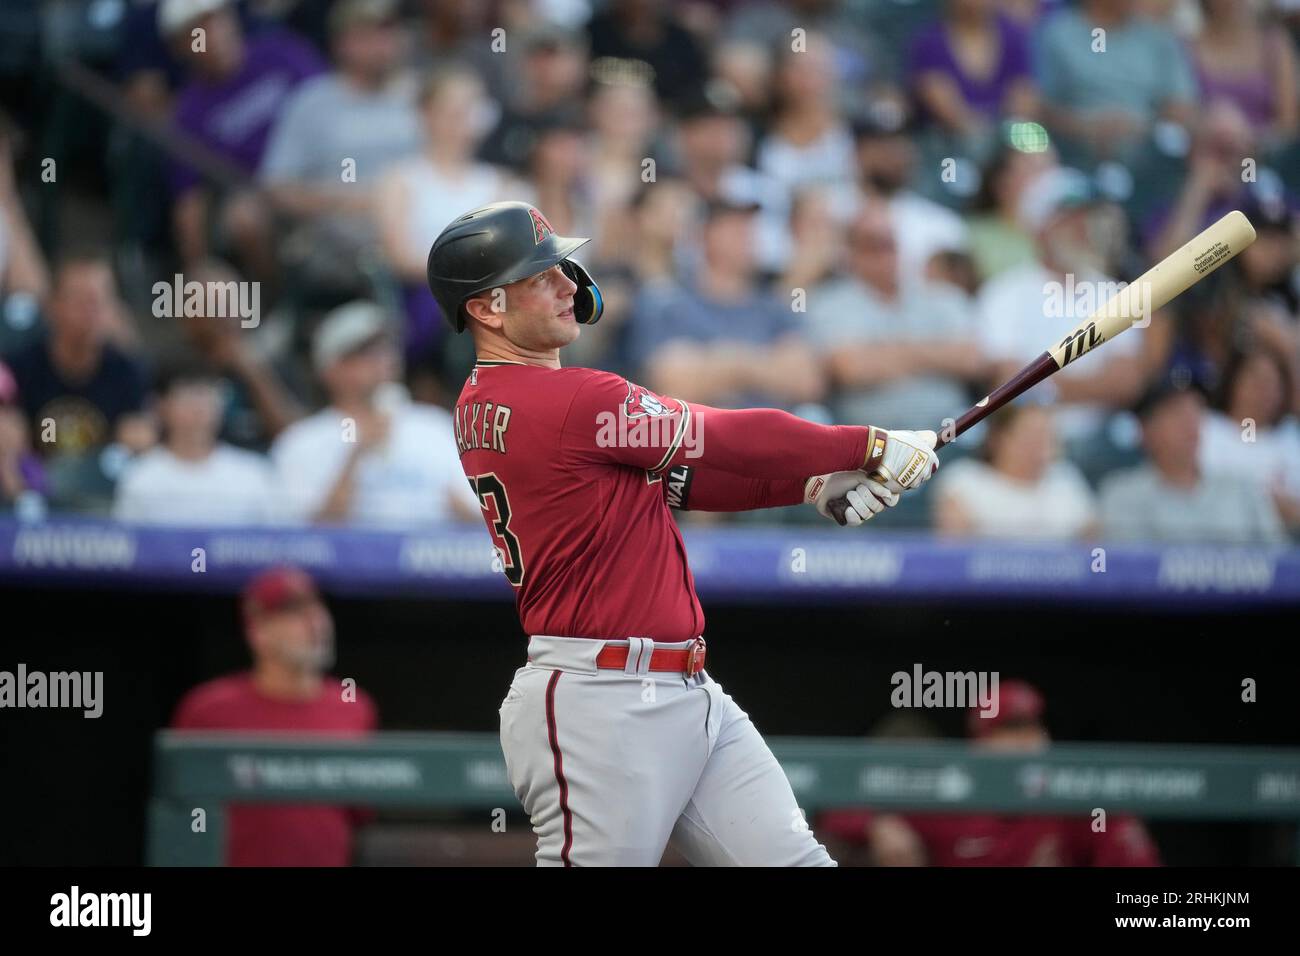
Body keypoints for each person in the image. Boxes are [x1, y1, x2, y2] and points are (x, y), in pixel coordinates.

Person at [426, 199, 942, 866]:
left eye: (561, 268)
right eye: (540, 276)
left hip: (687, 691)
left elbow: (685, 483)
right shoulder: (568, 401)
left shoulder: (495, 401)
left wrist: (811, 485)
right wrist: (863, 444)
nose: (567, 284)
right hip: (598, 704)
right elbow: (722, 436)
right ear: (488, 308)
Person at [818, 680, 1163, 866]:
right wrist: (878, 824)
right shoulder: (949, 792)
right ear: (980, 746)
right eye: (1010, 729)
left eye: (1033, 727)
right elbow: (837, 809)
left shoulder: (1071, 798)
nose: (1028, 741)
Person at [170, 566, 378, 866]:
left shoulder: (354, 707)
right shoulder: (209, 709)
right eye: (293, 611)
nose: (314, 621)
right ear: (258, 631)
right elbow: (181, 821)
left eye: (317, 606)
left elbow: (361, 814)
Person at [270, 300, 479, 527]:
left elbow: (480, 522)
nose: (382, 359)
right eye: (365, 352)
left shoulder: (435, 426)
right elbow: (301, 540)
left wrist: (458, 509)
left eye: (387, 348)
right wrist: (357, 454)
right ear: (330, 368)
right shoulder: (301, 441)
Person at [160, 0, 325, 279]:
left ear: (231, 19)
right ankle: (279, 300)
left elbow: (331, 102)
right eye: (196, 31)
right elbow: (189, 200)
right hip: (262, 196)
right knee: (243, 218)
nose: (211, 35)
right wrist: (198, 269)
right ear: (180, 47)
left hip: (320, 169)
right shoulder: (189, 112)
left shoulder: (281, 51)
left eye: (215, 21)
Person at [802, 201, 987, 433]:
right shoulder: (829, 303)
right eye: (873, 245)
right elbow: (850, 368)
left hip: (950, 433)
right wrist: (937, 354)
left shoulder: (939, 295)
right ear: (850, 253)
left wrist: (890, 352)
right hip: (872, 444)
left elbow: (972, 359)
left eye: (889, 244)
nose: (885, 255)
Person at [628, 198, 824, 410]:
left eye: (749, 228)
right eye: (733, 227)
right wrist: (766, 366)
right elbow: (672, 385)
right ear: (703, 236)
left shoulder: (774, 306)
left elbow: (808, 382)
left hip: (771, 434)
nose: (747, 237)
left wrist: (720, 365)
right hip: (701, 434)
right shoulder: (669, 303)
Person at [5, 254, 152, 509]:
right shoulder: (21, 366)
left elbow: (139, 439)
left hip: (100, 502)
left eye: (102, 300)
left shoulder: (128, 370)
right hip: (29, 497)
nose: (92, 311)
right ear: (53, 307)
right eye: (82, 301)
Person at [1099, 376, 1287, 543]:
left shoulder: (1243, 488)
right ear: (1145, 430)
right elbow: (1128, 572)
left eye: (1196, 409)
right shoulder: (1123, 495)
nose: (1190, 422)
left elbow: (1282, 564)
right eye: (1176, 412)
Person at [113, 360, 277, 526]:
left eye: (208, 394)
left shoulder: (253, 474)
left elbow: (273, 543)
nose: (199, 407)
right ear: (161, 405)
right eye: (188, 395)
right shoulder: (141, 477)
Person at [1035, 0, 1197, 164]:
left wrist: (1141, 129)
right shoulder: (1057, 34)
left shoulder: (1158, 38)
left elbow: (1181, 107)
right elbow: (1039, 107)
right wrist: (1084, 128)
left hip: (1149, 158)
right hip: (1074, 157)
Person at [933, 402, 1098, 540]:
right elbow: (953, 555)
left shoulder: (1066, 479)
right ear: (998, 438)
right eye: (1030, 436)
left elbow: (1092, 546)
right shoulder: (965, 481)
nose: (1039, 446)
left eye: (1047, 436)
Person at [1196, 349, 1300, 531]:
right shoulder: (1205, 427)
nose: (1262, 390)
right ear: (1233, 381)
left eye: (1271, 383)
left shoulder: (1291, 438)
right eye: (1255, 379)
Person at [1192, 0, 1298, 146]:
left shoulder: (1274, 45)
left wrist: (1249, 141)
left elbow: (1288, 123)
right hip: (1210, 156)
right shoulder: (1188, 48)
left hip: (1265, 156)